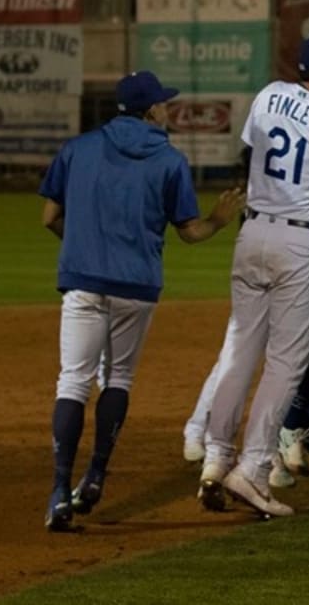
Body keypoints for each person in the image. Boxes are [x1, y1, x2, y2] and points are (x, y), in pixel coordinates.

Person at [40, 70, 243, 531]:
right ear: (151, 110)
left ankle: (59, 491)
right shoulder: (169, 160)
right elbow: (190, 232)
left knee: (72, 382)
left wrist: (82, 248)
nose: (166, 109)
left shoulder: (78, 149)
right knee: (118, 378)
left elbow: (49, 216)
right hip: (136, 287)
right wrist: (218, 219)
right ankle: (95, 474)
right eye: (163, 103)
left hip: (83, 281)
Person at [196, 32, 309, 518]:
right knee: (285, 364)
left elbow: (252, 150)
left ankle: (216, 459)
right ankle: (253, 469)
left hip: (253, 231)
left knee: (239, 353)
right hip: (302, 241)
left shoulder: (268, 95)